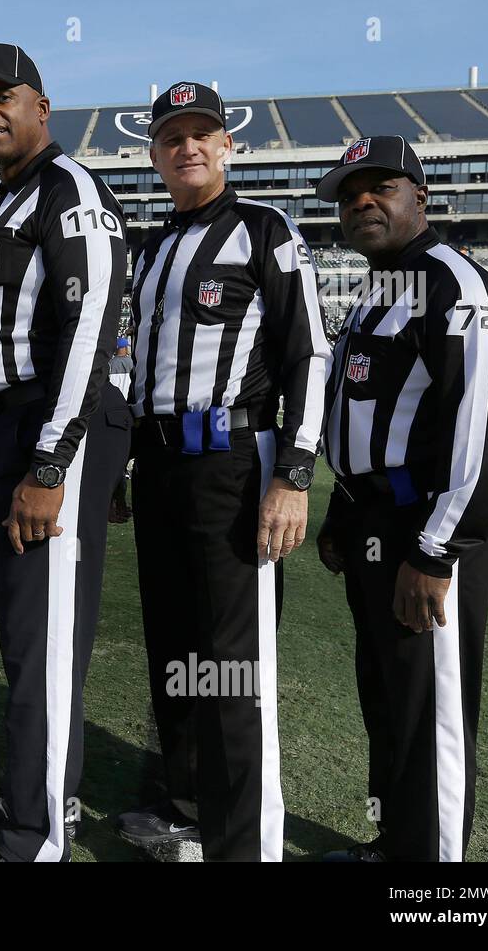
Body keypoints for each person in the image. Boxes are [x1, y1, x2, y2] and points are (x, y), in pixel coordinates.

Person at [118, 82, 329, 861]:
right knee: (175, 649)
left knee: (233, 664)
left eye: (202, 133)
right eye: (173, 138)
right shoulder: (152, 246)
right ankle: (185, 804)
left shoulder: (265, 230)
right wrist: (123, 465)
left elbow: (308, 351)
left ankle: (245, 844)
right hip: (163, 462)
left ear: (228, 144)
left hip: (237, 463)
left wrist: (295, 474)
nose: (188, 148)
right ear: (155, 155)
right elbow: (134, 363)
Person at [0, 44, 131, 862]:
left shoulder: (71, 192)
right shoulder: (11, 198)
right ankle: (33, 795)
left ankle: (40, 834)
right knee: (23, 633)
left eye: (2, 97)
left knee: (47, 638)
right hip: (1, 429)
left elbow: (86, 336)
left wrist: (49, 464)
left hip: (48, 431)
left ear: (42, 106)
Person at [314, 135, 488, 861]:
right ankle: (399, 841)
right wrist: (343, 509)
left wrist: (436, 550)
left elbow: (476, 426)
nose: (361, 201)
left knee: (433, 710)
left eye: (381, 187)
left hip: (427, 526)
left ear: (420, 197)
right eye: (347, 192)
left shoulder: (453, 280)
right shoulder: (383, 285)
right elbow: (362, 409)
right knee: (390, 692)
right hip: (375, 518)